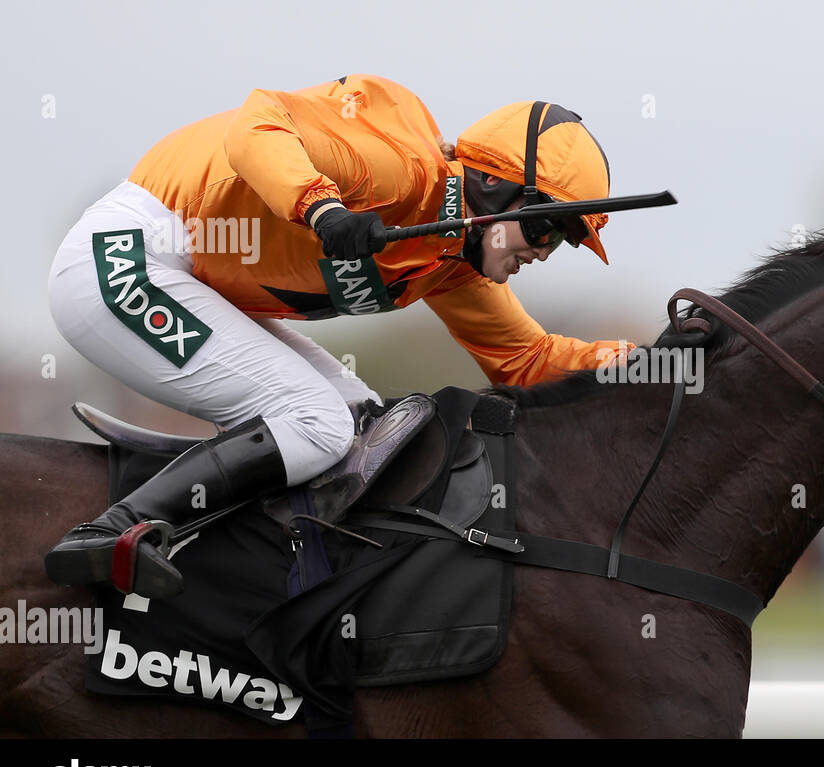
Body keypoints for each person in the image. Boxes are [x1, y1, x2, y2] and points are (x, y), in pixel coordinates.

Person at [44, 74, 634, 598]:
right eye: (545, 229)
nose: (544, 251)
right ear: (497, 188)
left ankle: (244, 574)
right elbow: (257, 123)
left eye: (562, 240)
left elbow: (529, 361)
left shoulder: (451, 262)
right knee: (318, 424)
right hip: (125, 256)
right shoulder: (396, 168)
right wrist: (322, 209)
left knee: (363, 428)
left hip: (189, 279)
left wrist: (656, 363)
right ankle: (113, 531)